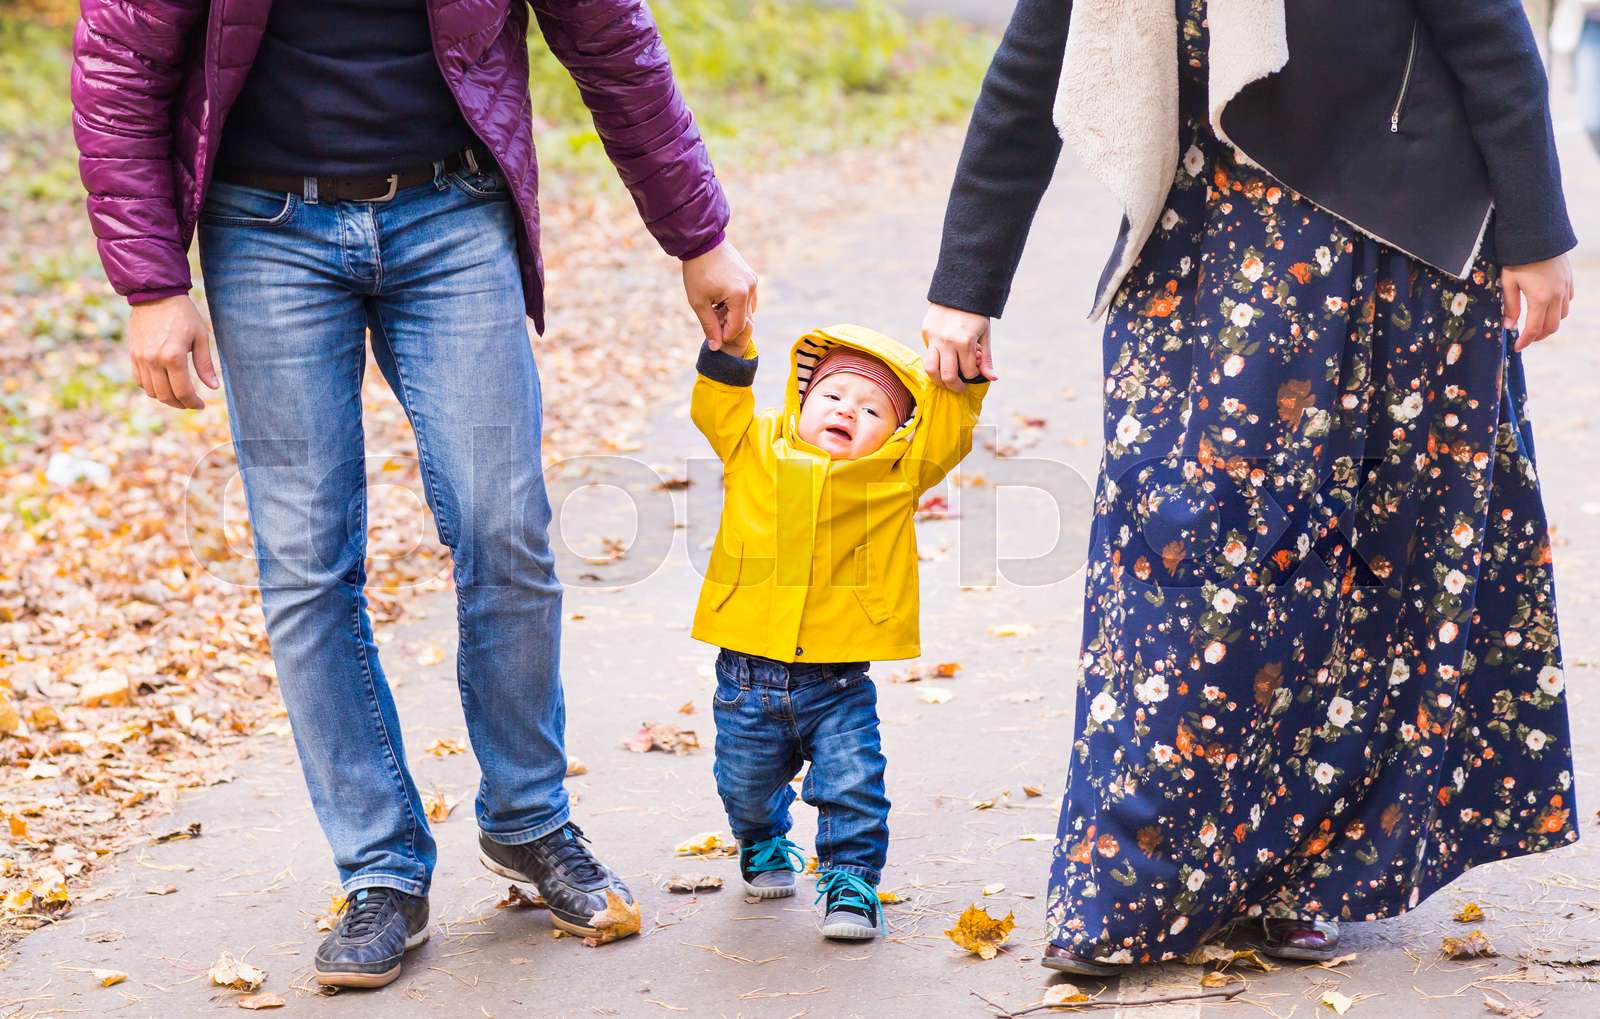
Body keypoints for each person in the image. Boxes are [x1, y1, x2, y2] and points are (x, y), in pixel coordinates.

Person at [70, 0, 758, 990]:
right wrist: (150, 282)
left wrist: (699, 233)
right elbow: (120, 64)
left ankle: (529, 819)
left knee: (502, 523)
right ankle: (380, 867)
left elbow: (610, 37)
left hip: (451, 210)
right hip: (262, 228)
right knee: (306, 562)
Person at [923, 0, 1578, 974]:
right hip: (1190, 234)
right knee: (1180, 556)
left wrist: (1534, 230)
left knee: (1364, 576)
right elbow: (1031, 66)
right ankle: (1127, 888)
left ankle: (1306, 877)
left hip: (1384, 236)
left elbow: (1488, 34)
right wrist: (965, 283)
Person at [688, 323, 987, 939]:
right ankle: (762, 838)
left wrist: (959, 377)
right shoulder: (752, 446)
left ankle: (851, 881)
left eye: (872, 409)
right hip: (746, 674)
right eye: (832, 396)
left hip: (838, 679)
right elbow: (717, 406)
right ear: (802, 401)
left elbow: (948, 432)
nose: (848, 409)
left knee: (854, 785)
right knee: (744, 785)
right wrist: (731, 347)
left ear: (897, 433)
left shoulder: (896, 475)